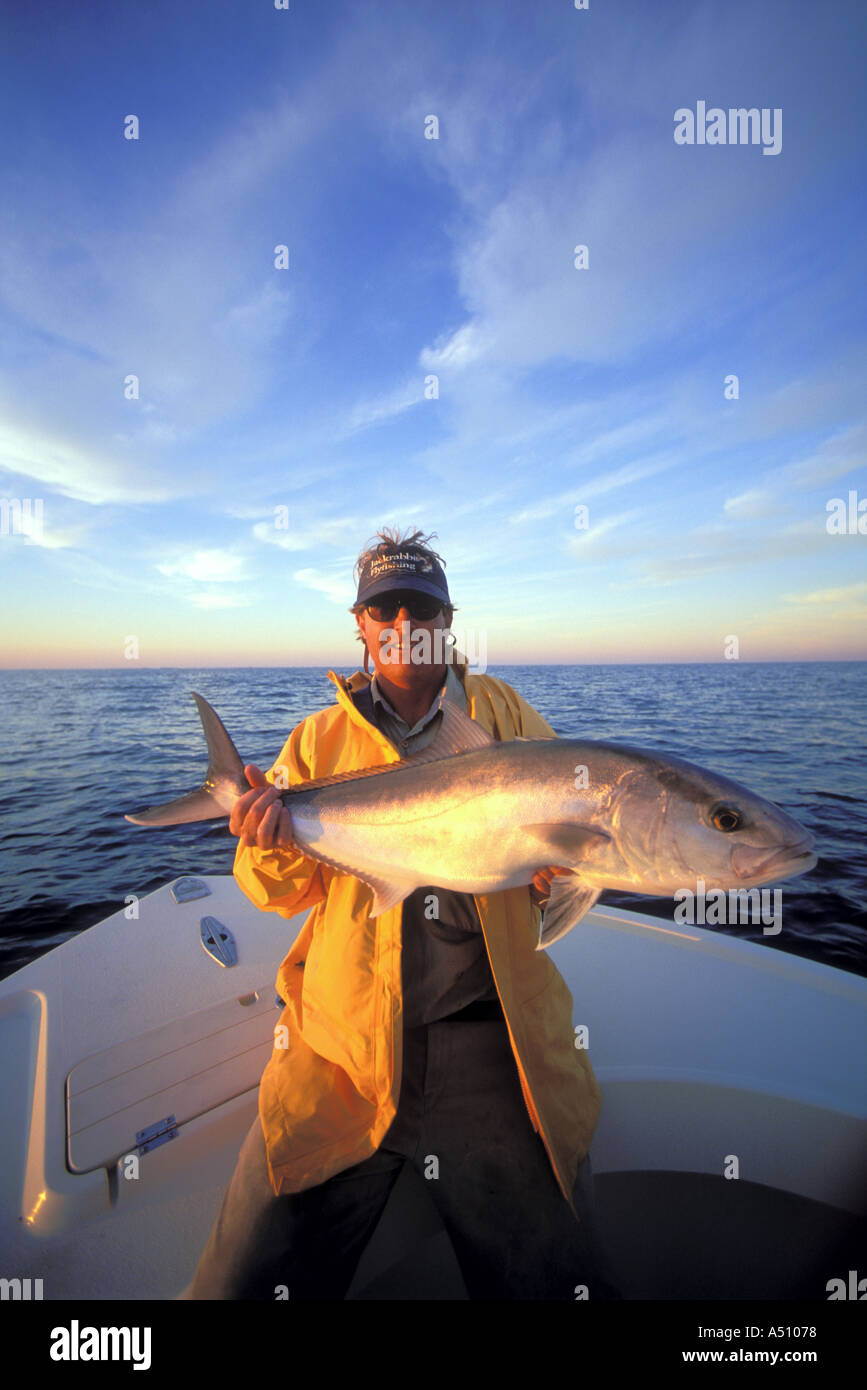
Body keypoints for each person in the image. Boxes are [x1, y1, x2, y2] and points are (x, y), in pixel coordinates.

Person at [186, 527, 621, 1300]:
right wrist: (265, 835)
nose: (402, 626)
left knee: (561, 1284)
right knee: (240, 1285)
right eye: (382, 610)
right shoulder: (317, 742)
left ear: (448, 621)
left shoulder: (505, 716)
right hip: (340, 1046)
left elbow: (565, 847)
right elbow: (275, 891)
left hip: (493, 1041)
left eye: (420, 608)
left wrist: (561, 866)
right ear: (358, 625)